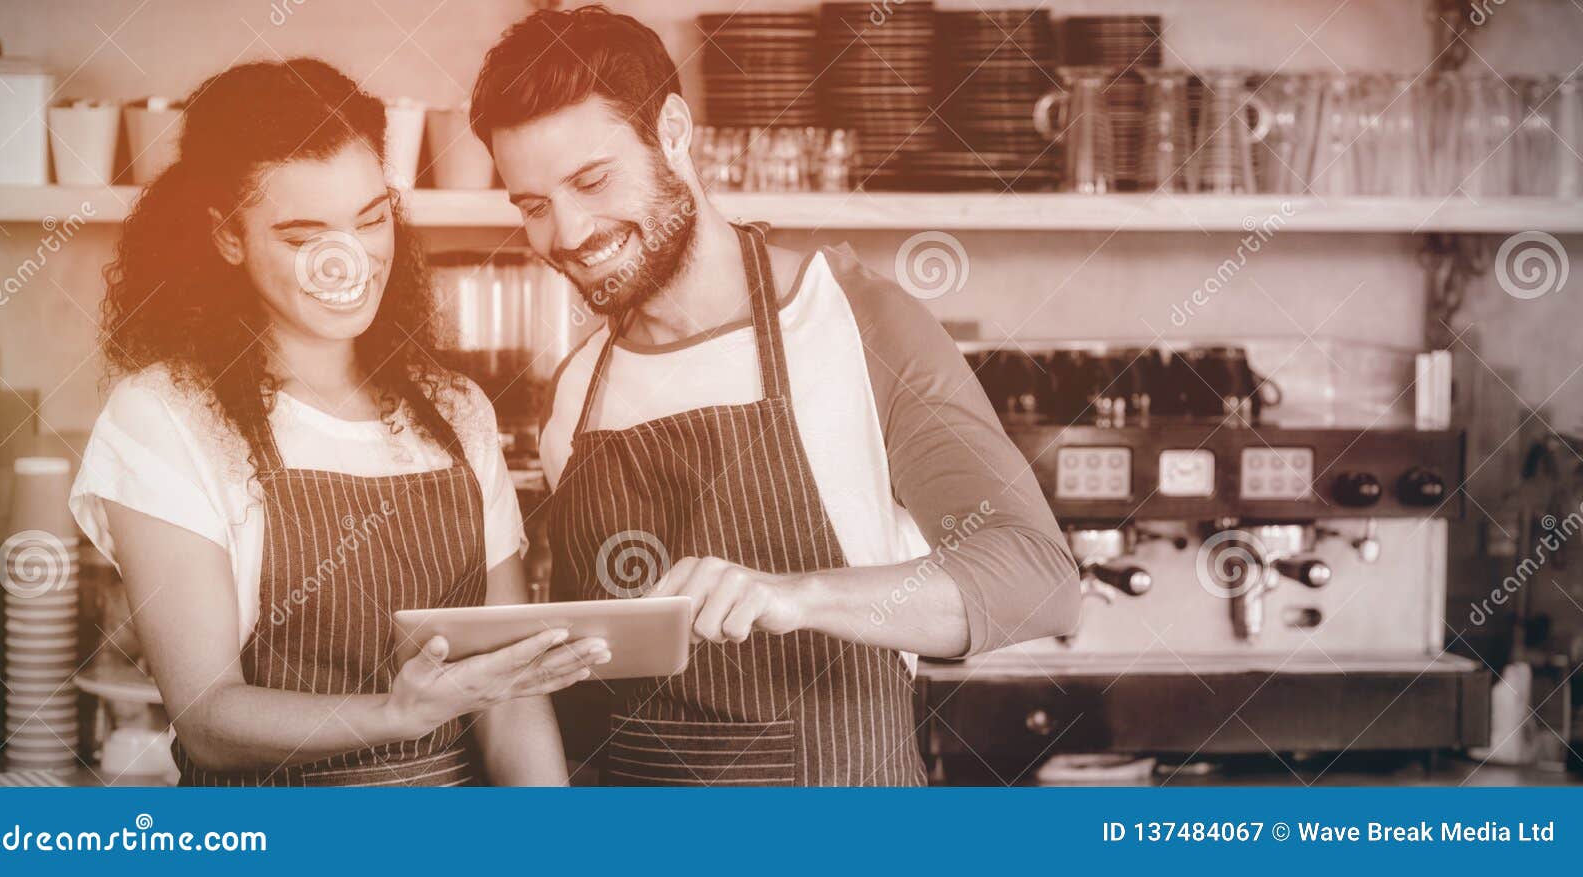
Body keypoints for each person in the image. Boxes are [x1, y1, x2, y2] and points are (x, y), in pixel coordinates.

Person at [469, 6, 1082, 786]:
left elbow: (1038, 580)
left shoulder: (854, 320)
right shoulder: (576, 393)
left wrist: (796, 596)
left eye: (591, 180)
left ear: (675, 132)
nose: (569, 231)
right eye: (532, 205)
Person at [70, 59, 608, 786]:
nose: (347, 260)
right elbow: (208, 716)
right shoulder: (166, 414)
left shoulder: (454, 411)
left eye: (371, 219)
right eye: (302, 236)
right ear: (228, 236)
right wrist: (395, 712)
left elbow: (510, 700)